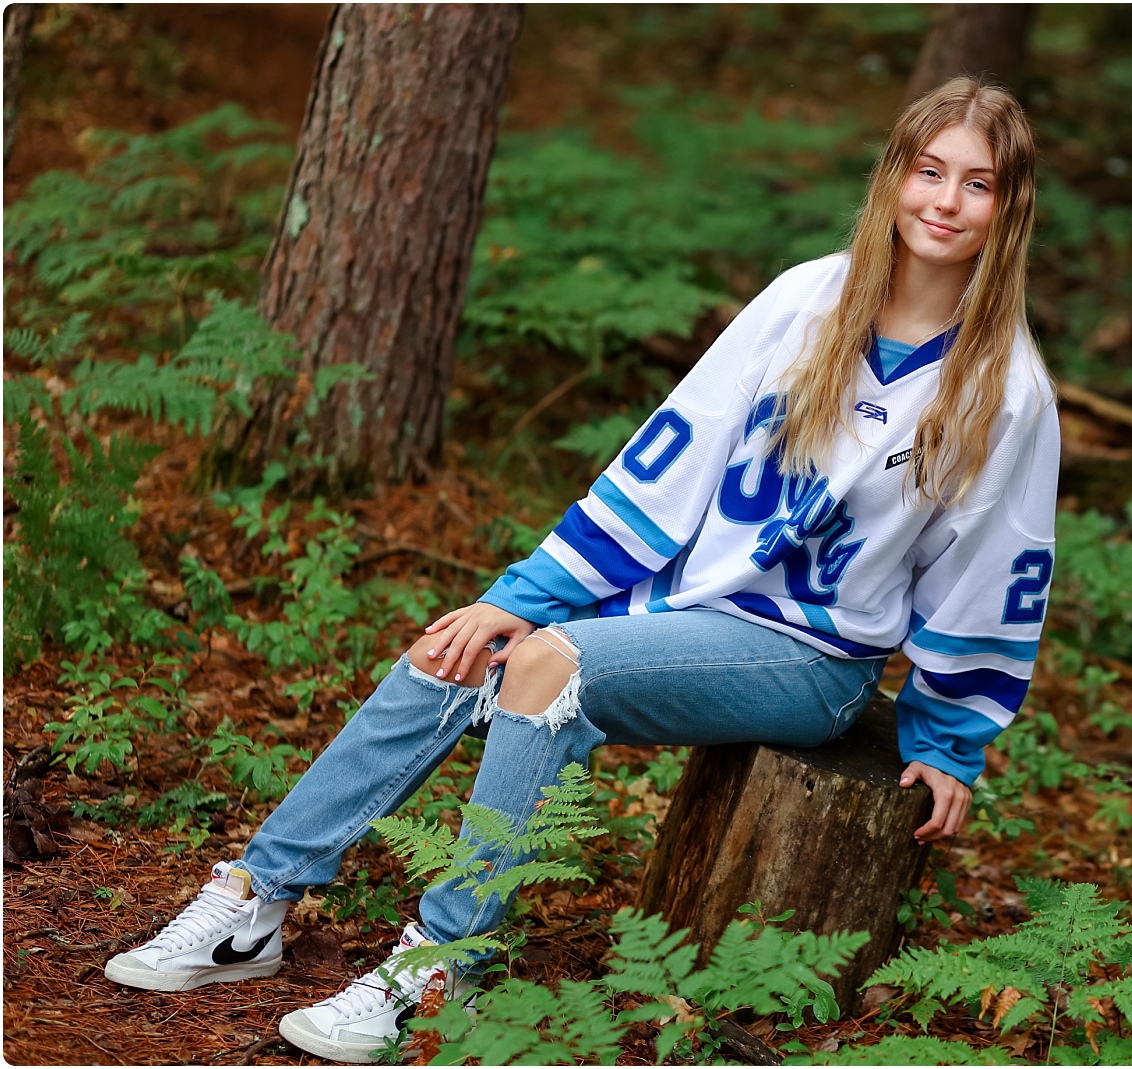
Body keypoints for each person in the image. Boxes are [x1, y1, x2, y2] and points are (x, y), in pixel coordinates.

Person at [103, 76, 1059, 1064]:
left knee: (545, 667)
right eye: (928, 170)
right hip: (689, 597)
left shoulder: (1008, 390)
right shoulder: (806, 298)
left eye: (976, 184)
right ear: (895, 177)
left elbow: (989, 576)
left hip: (810, 658)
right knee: (457, 648)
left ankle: (443, 966)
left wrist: (949, 740)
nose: (944, 203)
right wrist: (513, 597)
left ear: (1008, 207)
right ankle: (254, 901)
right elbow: (668, 461)